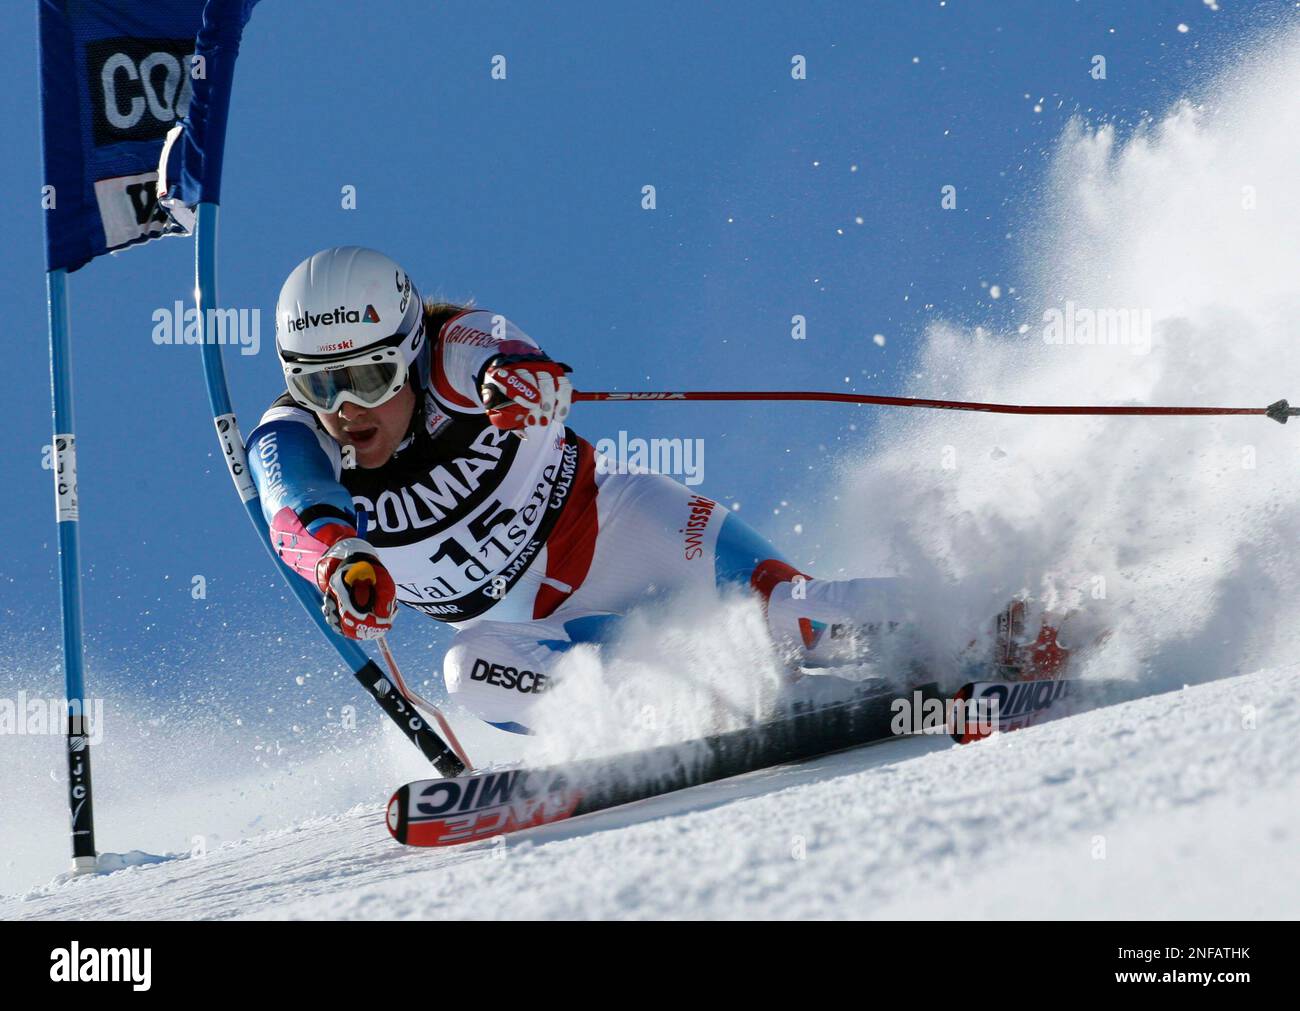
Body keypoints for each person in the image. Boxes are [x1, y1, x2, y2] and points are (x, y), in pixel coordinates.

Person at [247, 246, 1062, 735]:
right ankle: (695, 711)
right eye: (319, 384)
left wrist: (520, 379)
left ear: (408, 349)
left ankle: (1006, 627)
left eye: (368, 377)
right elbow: (294, 511)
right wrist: (340, 563)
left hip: (623, 527)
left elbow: (496, 349)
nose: (345, 409)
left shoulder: (452, 350)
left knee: (791, 616)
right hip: (528, 632)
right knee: (470, 672)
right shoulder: (295, 434)